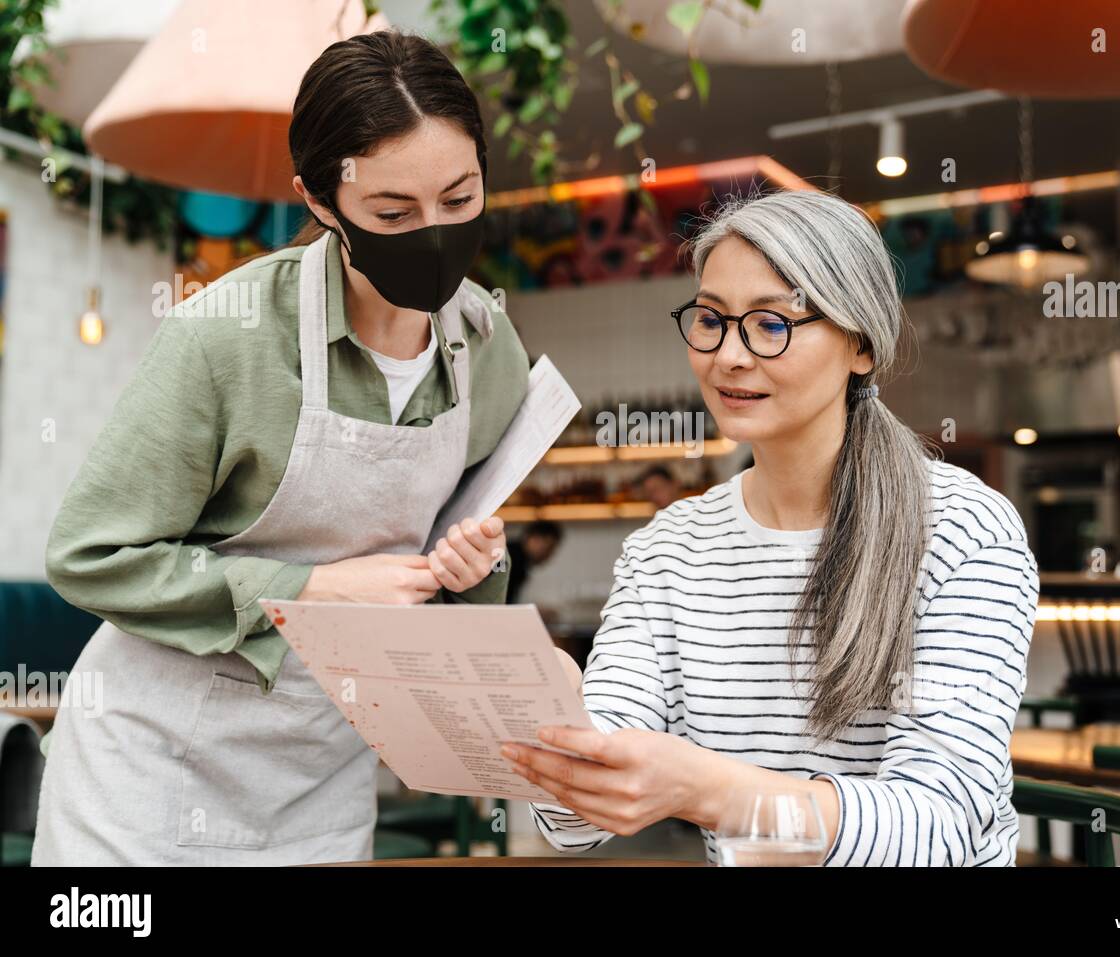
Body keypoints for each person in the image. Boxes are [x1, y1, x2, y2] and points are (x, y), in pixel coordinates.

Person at [32, 30, 531, 866]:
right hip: (146, 776)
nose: (436, 233)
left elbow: (442, 590)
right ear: (321, 200)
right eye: (394, 214)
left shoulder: (488, 348)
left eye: (459, 196)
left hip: (319, 779)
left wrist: (473, 571)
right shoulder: (225, 339)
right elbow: (89, 555)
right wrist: (316, 589)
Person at [504, 190, 1040, 865]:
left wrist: (710, 790)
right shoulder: (668, 550)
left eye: (770, 323)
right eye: (711, 320)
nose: (729, 355)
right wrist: (554, 719)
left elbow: (937, 827)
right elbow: (574, 827)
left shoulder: (964, 529)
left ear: (862, 345)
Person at [504, 520, 564, 605]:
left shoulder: (518, 558)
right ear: (534, 539)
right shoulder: (511, 557)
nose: (549, 555)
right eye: (549, 548)